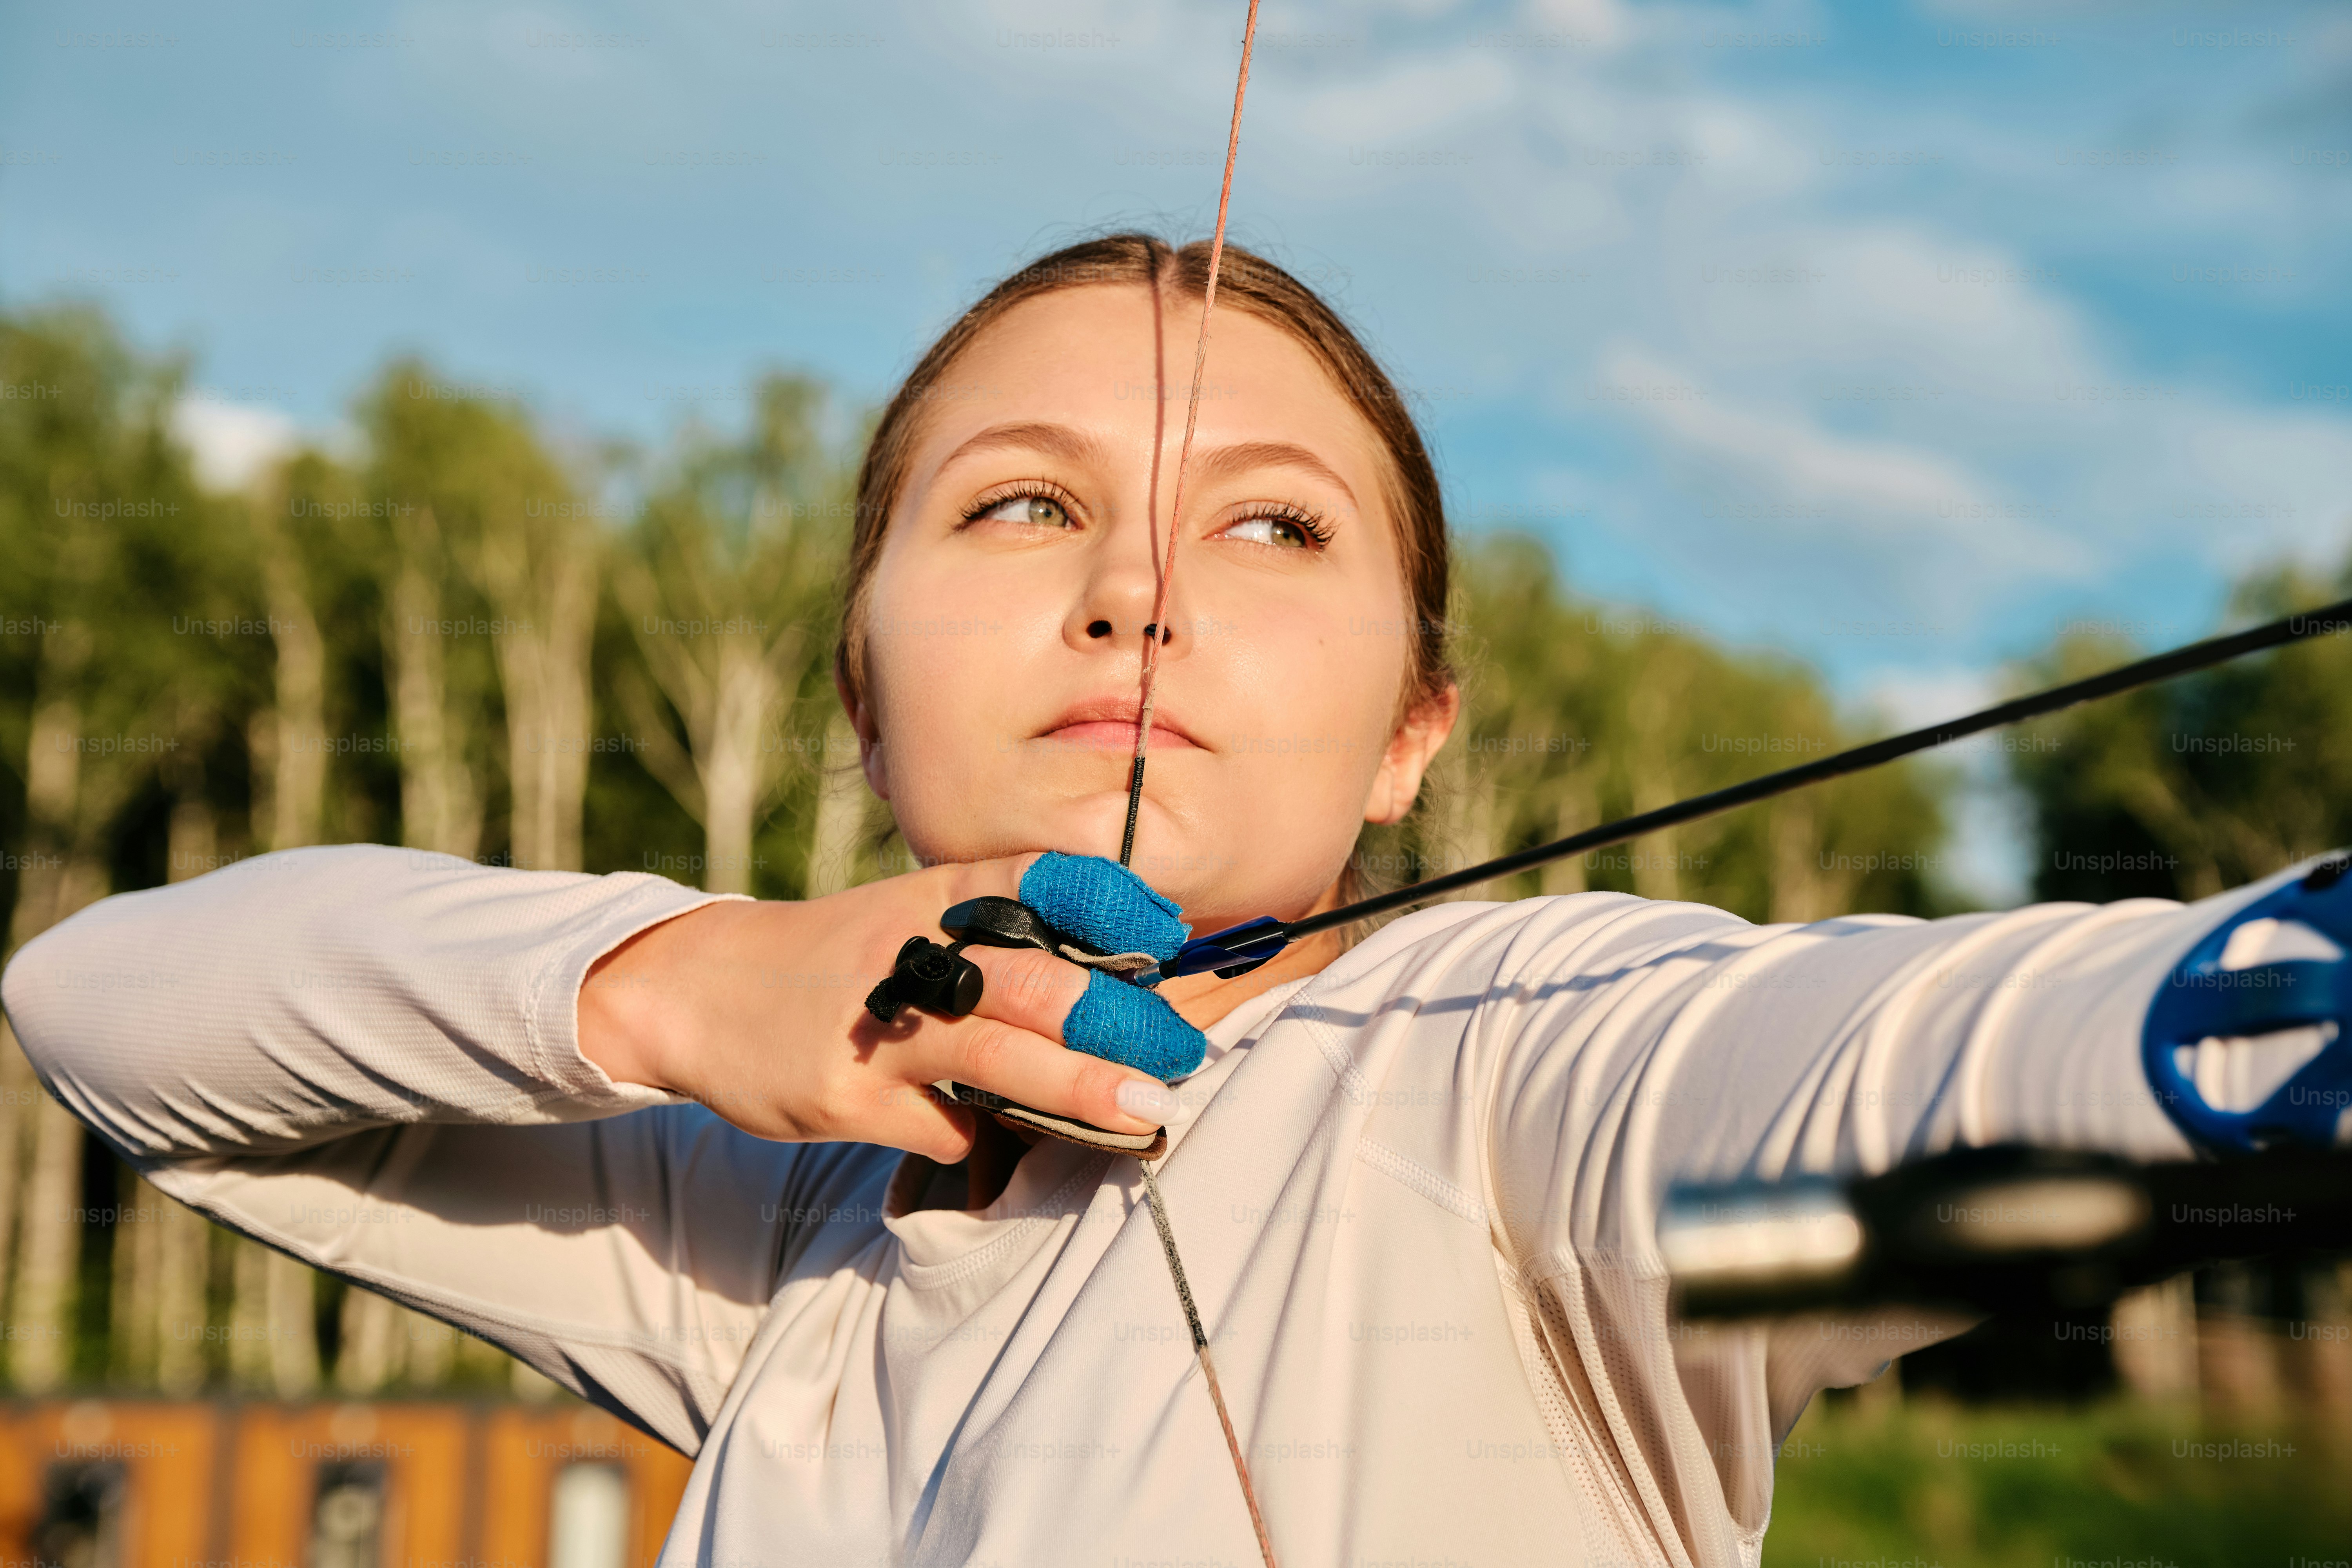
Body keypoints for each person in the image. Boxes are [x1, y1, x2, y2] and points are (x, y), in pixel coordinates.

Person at [2, 234, 2336, 1567]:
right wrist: (684, 984)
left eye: (1273, 526)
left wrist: (2264, 1003)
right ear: (859, 678)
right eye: (1021, 507)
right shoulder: (766, 1213)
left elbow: (1972, 1056)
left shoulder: (1517, 1069)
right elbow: (104, 1007)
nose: (1136, 590)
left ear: (1415, 731)